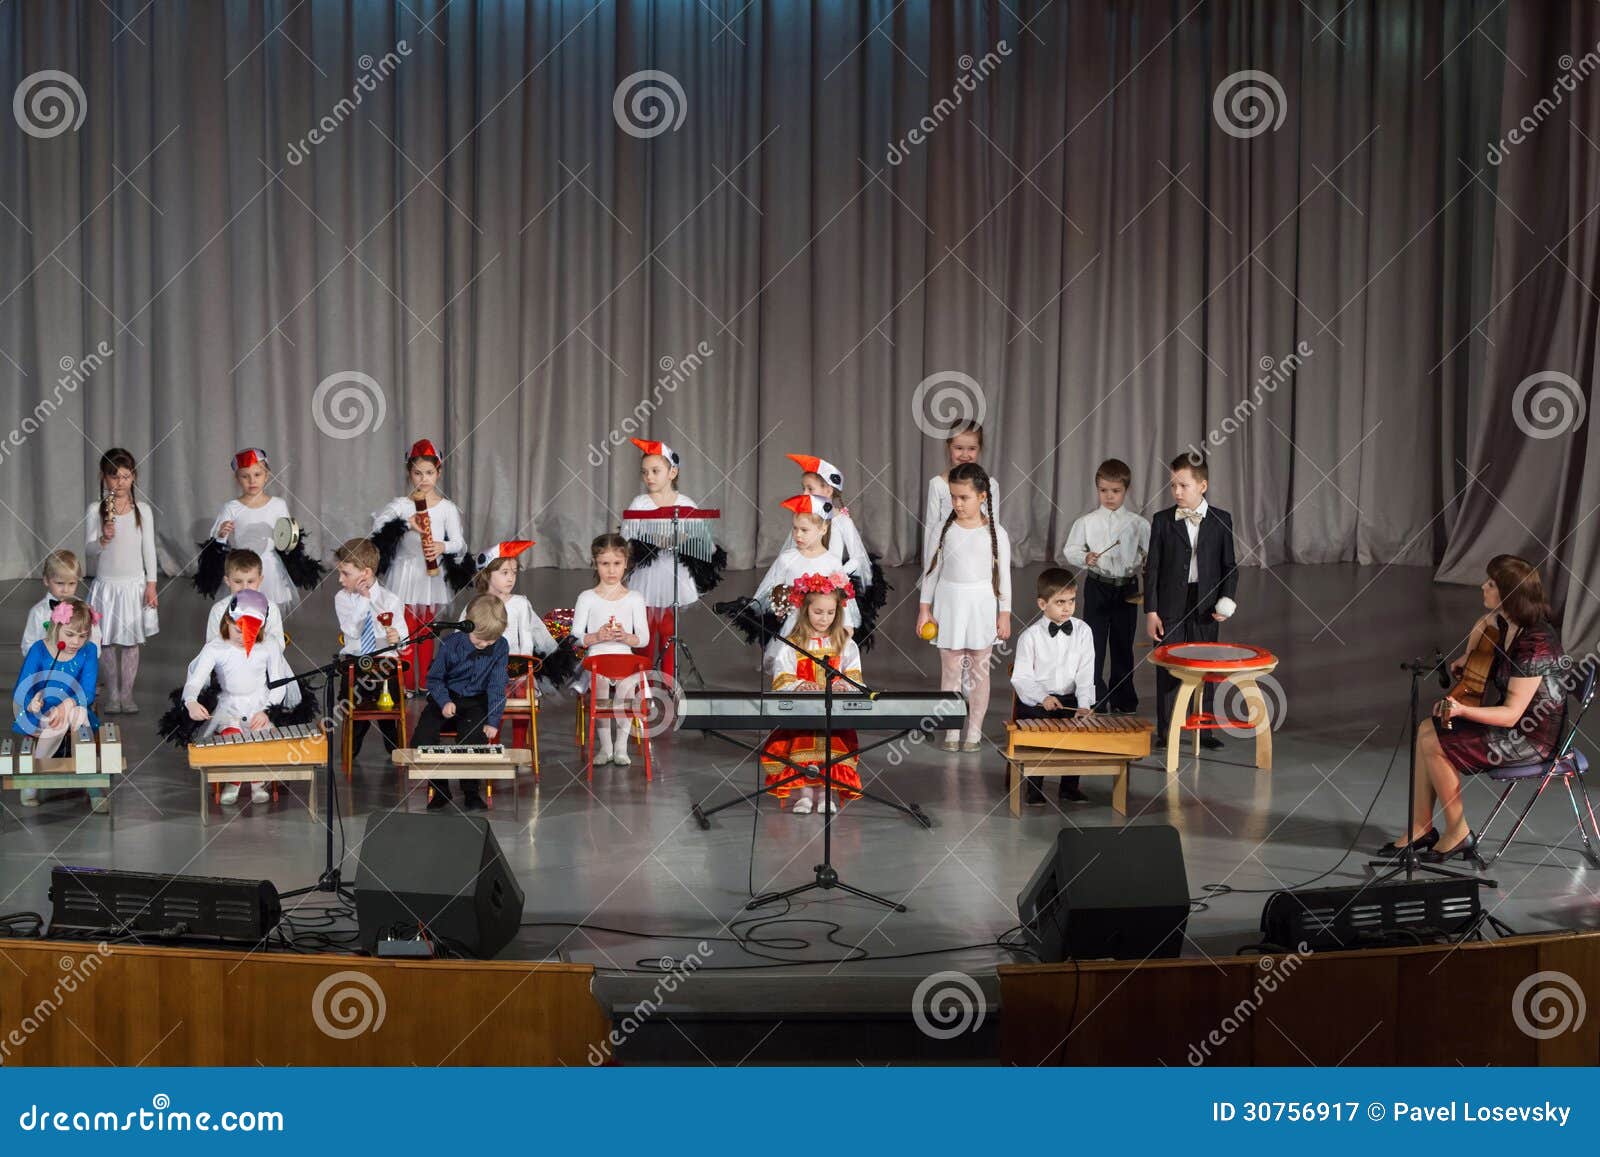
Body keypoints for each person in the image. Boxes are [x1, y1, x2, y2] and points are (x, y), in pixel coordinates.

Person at [1377, 555, 1569, 865]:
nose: (1483, 586)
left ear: (1508, 594)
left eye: (1491, 584)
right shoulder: (1509, 623)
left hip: (1530, 739)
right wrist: (1469, 658)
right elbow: (1486, 625)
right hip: (1513, 727)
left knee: (1433, 740)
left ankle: (1458, 832)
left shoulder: (1536, 645)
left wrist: (1462, 712)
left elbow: (1511, 714)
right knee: (1427, 728)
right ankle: (1420, 828)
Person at [165, 590, 297, 807]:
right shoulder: (215, 647)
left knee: (258, 736)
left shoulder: (270, 646)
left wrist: (266, 710)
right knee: (232, 736)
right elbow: (195, 681)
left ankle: (256, 782)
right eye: (239, 630)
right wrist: (191, 701)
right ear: (228, 619)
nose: (245, 637)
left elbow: (278, 685)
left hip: (260, 703)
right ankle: (234, 782)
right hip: (229, 705)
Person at [1144, 452, 1237, 750]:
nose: (1176, 492)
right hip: (1170, 602)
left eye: (1183, 485)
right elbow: (1153, 569)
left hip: (1206, 603)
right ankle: (1167, 730)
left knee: (1205, 665)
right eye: (1173, 486)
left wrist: (1226, 600)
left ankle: (1204, 730)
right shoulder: (1161, 521)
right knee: (1169, 665)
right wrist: (1151, 610)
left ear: (1203, 486)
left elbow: (1229, 567)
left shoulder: (1222, 520)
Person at [917, 463, 1012, 752]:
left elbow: (1003, 575)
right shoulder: (942, 531)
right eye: (954, 497)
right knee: (951, 672)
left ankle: (974, 731)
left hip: (982, 604)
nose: (957, 504)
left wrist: (1005, 613)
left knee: (979, 674)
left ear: (982, 496)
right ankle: (951, 729)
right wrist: (924, 608)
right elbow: (931, 571)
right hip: (950, 604)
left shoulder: (996, 533)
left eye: (964, 498)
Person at [372, 438, 474, 693]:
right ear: (410, 473)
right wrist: (406, 523)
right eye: (418, 473)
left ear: (438, 472)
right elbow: (378, 527)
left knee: (427, 631)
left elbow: (460, 544)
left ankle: (426, 681)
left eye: (429, 473)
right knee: (404, 628)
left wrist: (442, 546)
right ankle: (404, 682)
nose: (424, 479)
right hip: (404, 573)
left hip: (430, 576)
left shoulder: (447, 508)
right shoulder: (401, 505)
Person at [620, 438, 726, 678]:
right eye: (645, 472)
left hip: (672, 576)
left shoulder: (685, 504)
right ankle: (641, 679)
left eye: (656, 471)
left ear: (672, 472)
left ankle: (668, 680)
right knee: (644, 630)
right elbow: (626, 539)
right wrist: (652, 541)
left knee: (668, 629)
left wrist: (686, 539)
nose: (649, 477)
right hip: (646, 576)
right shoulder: (640, 503)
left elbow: (705, 545)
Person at [760, 575, 864, 815]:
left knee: (831, 753)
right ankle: (805, 795)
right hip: (803, 715)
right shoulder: (793, 644)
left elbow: (855, 677)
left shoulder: (845, 644)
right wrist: (798, 685)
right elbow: (782, 677)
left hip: (833, 715)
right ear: (805, 609)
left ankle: (826, 795)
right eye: (818, 612)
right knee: (802, 752)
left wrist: (844, 685)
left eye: (829, 613)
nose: (824, 619)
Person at [1062, 457, 1148, 714]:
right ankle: (1095, 697)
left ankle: (1123, 698)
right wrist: (1084, 558)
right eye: (1103, 491)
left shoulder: (1139, 524)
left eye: (1115, 491)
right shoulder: (1086, 522)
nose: (1109, 496)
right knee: (1094, 643)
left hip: (1127, 589)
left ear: (1125, 491)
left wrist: (1147, 563)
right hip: (1097, 587)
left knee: (1123, 644)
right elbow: (1071, 549)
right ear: (1097, 489)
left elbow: (1153, 553)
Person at [194, 446, 324, 608]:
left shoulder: (278, 505)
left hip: (270, 569)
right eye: (245, 476)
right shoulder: (231, 507)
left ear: (266, 476)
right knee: (243, 613)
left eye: (257, 474)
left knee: (270, 614)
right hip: (243, 570)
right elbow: (215, 546)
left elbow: (288, 539)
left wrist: (287, 540)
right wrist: (222, 534)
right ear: (237, 479)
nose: (252, 480)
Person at [417, 594, 510, 812]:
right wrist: (444, 701)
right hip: (446, 696)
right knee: (422, 737)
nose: (485, 645)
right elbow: (434, 679)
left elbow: (497, 686)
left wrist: (493, 721)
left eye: (490, 641)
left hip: (476, 701)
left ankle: (471, 792)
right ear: (467, 627)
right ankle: (440, 789)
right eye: (480, 639)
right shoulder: (451, 644)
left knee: (473, 738)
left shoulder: (501, 647)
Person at [1011, 569, 1097, 804]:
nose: (1067, 608)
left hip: (1069, 699)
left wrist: (1084, 704)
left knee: (1078, 734)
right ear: (1042, 603)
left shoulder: (1083, 631)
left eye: (1071, 601)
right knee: (1038, 736)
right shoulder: (1030, 637)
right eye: (1060, 602)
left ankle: (1069, 787)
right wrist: (1042, 697)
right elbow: (1021, 678)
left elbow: (1085, 673)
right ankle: (1034, 788)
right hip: (1036, 702)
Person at [85, 448, 158, 715]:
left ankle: (127, 694)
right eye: (114, 477)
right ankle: (112, 694)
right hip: (106, 586)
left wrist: (151, 583)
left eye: (126, 476)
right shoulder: (97, 510)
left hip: (133, 586)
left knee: (130, 642)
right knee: (104, 641)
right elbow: (90, 551)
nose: (120, 482)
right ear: (104, 478)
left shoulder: (143, 511)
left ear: (134, 477)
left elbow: (148, 549)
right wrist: (103, 539)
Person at [788, 452, 888, 647]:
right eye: (803, 488)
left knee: (831, 636)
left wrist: (838, 574)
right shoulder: (804, 520)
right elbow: (794, 550)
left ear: (828, 491)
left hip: (831, 587)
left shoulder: (842, 521)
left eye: (810, 488)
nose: (804, 494)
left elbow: (857, 558)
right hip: (805, 585)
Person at [12, 598, 102, 810]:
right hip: (42, 711)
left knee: (77, 714)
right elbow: (22, 688)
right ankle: (36, 776)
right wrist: (31, 702)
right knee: (56, 721)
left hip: (75, 707)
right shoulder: (39, 650)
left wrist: (67, 704)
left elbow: (88, 692)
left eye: (83, 636)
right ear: (56, 627)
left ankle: (92, 782)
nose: (76, 642)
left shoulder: (88, 651)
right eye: (70, 634)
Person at [571, 534, 650, 766]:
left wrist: (625, 636)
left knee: (626, 690)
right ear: (595, 563)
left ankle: (621, 747)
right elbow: (575, 637)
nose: (611, 570)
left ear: (626, 563)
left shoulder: (634, 598)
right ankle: (605, 748)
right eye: (605, 564)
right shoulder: (587, 598)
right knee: (601, 688)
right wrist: (596, 636)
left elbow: (643, 639)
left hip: (625, 659)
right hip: (596, 659)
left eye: (616, 563)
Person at [333, 537, 409, 759]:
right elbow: (352, 631)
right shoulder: (343, 598)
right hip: (355, 666)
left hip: (384, 667)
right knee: (356, 719)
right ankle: (350, 754)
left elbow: (403, 640)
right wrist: (364, 600)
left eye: (345, 573)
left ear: (365, 573)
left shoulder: (391, 600)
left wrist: (397, 638)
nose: (340, 579)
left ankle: (396, 753)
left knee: (389, 720)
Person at [923, 421, 1002, 573]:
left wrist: (993, 563)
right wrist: (929, 565)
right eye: (959, 448)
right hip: (949, 558)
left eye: (971, 448)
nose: (965, 454)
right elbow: (931, 527)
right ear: (949, 447)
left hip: (979, 557)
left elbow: (994, 524)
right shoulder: (937, 484)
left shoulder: (991, 485)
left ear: (979, 449)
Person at [20, 550, 100, 654]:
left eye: (71, 583)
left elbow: (95, 638)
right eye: (60, 583)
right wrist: (40, 659)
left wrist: (87, 658)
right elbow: (28, 643)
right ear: (46, 580)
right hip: (48, 667)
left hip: (76, 666)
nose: (66, 590)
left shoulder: (85, 610)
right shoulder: (38, 612)